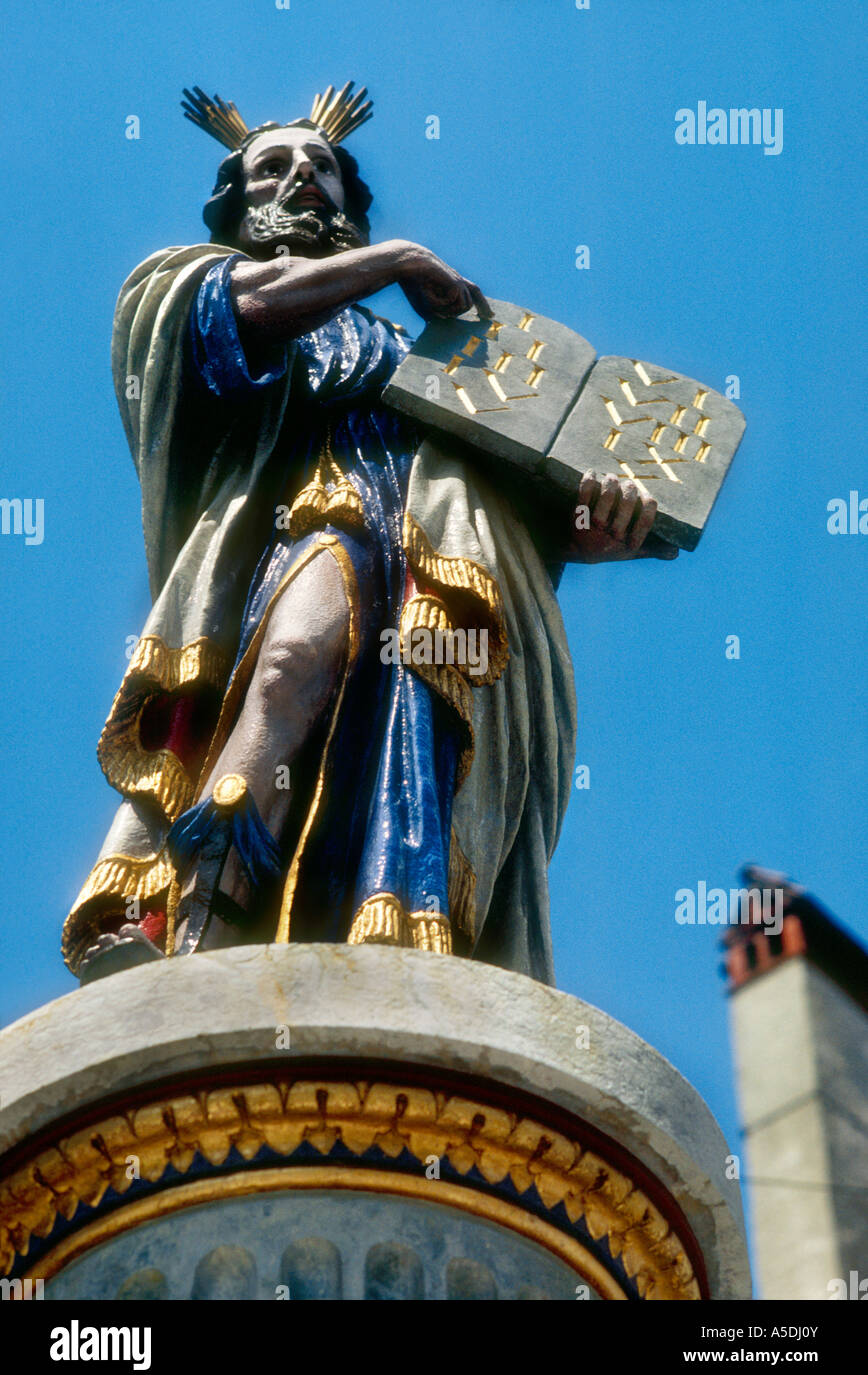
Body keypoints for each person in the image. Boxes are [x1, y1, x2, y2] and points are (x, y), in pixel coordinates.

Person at [65, 85, 675, 987]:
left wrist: (601, 517)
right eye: (273, 167)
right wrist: (394, 258)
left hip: (439, 554)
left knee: (423, 740)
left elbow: (529, 511)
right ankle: (195, 921)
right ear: (237, 203)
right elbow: (243, 318)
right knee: (285, 669)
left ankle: (401, 946)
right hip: (309, 515)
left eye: (322, 167)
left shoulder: (431, 352)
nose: (304, 178)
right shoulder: (188, 284)